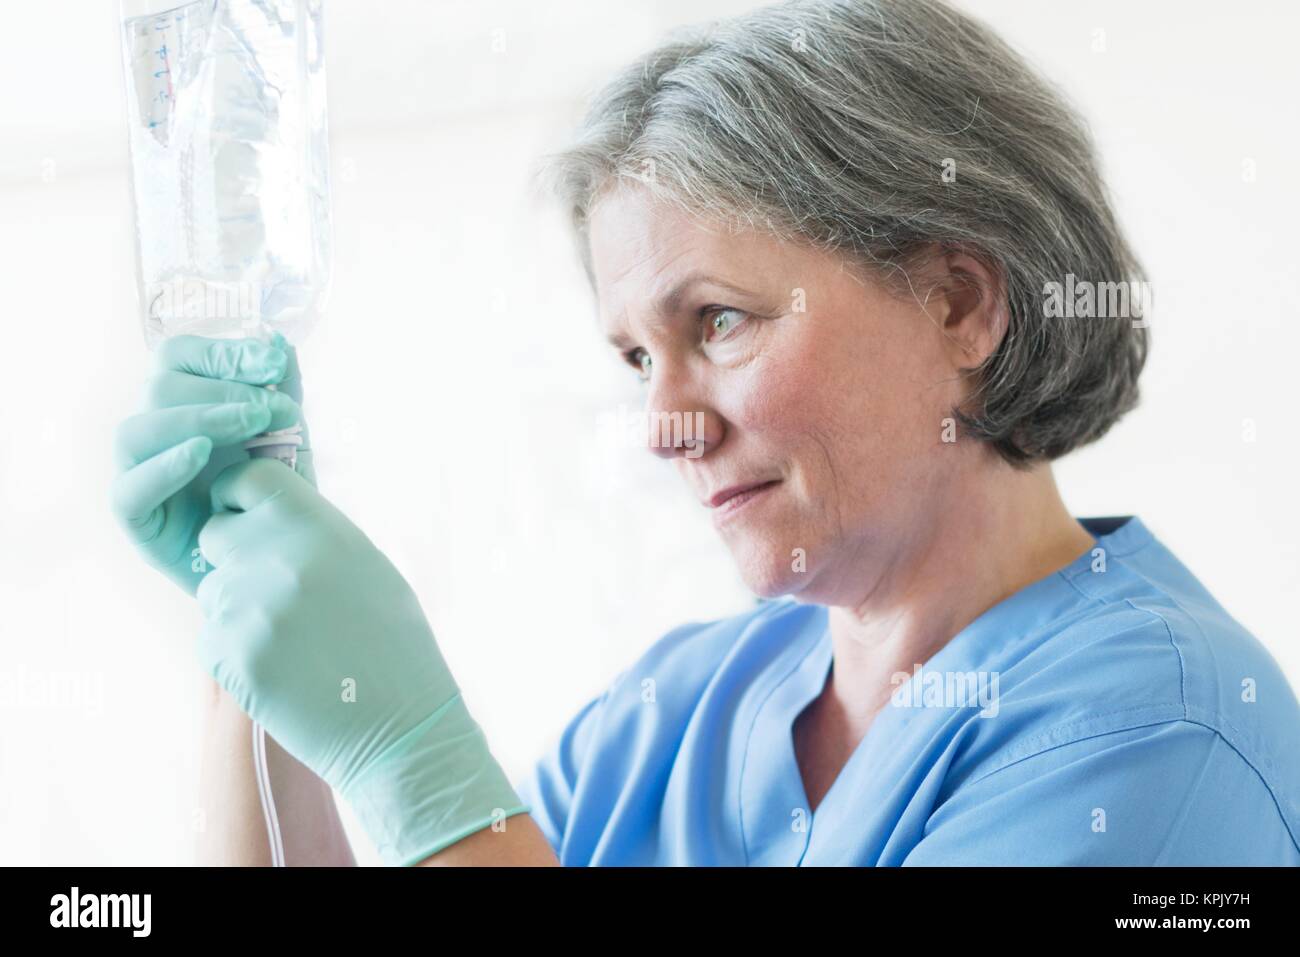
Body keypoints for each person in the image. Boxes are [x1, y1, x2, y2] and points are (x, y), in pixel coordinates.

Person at [111, 0, 1300, 866]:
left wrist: (416, 763)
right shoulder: (678, 718)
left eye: (717, 322)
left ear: (959, 302)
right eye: (635, 358)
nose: (663, 427)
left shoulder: (1158, 736)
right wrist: (251, 627)